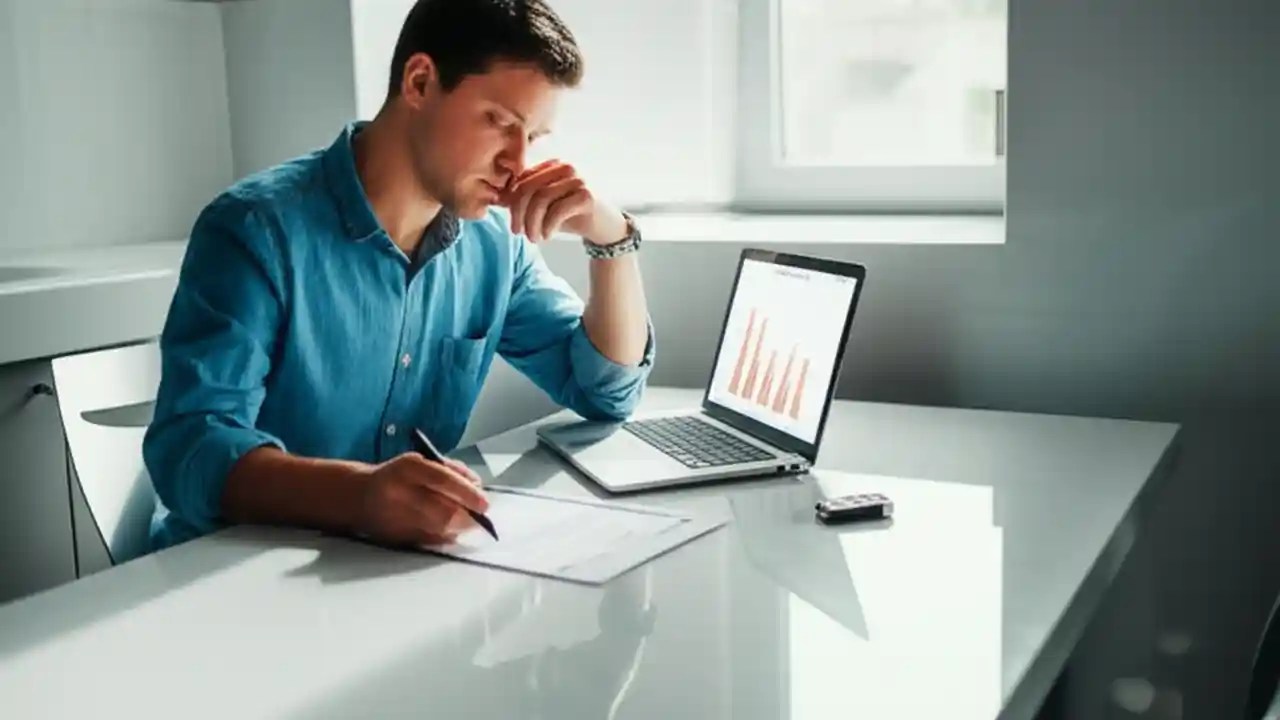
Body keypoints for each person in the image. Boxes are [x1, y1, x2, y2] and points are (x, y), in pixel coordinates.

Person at [142, 0, 652, 552]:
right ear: (419, 82)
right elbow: (191, 448)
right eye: (500, 123)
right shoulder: (255, 230)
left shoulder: (495, 248)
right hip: (229, 574)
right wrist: (359, 497)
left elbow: (607, 393)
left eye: (536, 137)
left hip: (385, 574)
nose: (518, 162)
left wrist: (611, 237)